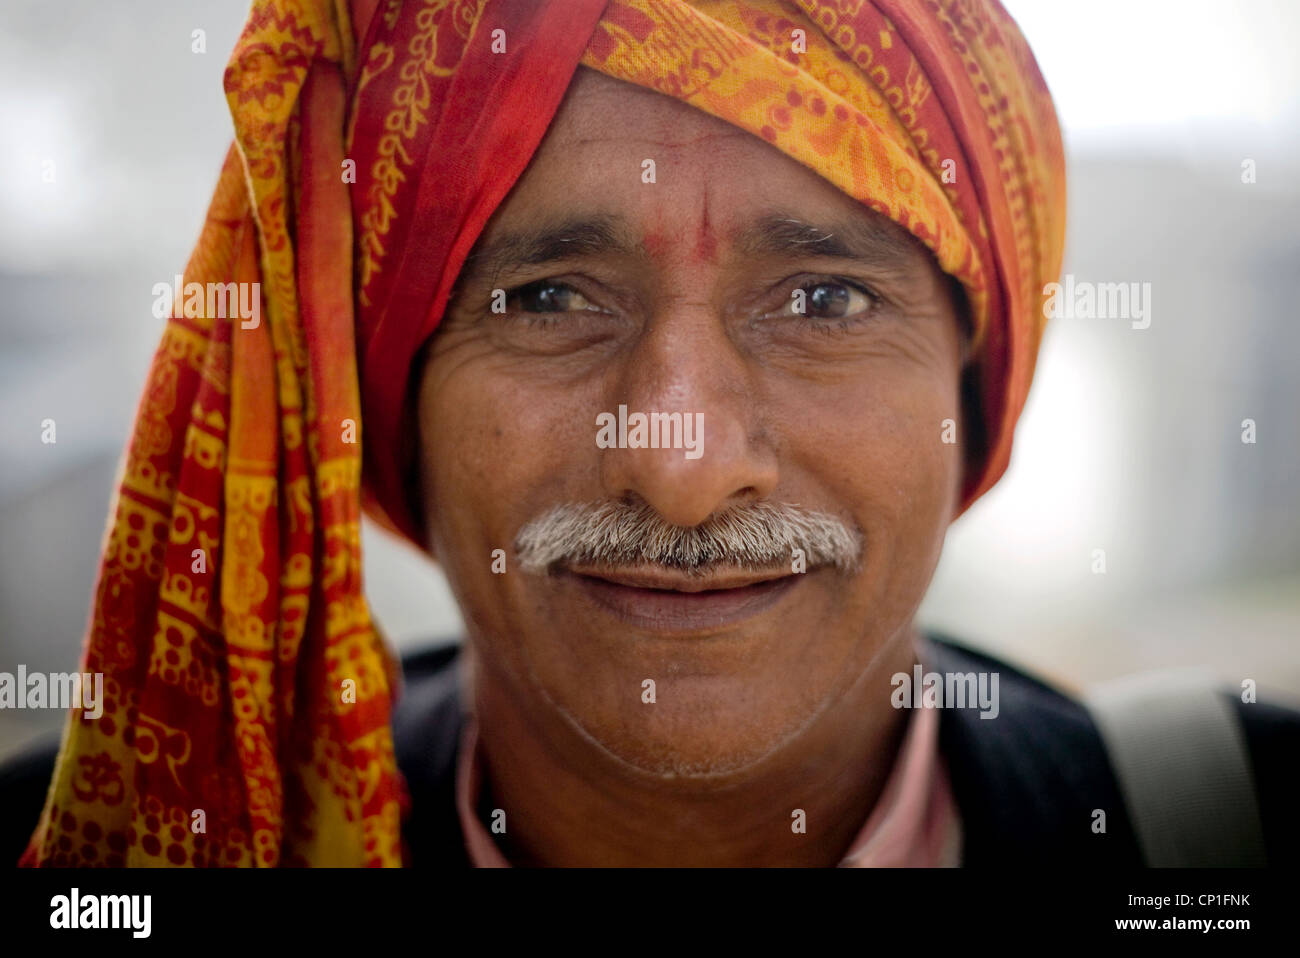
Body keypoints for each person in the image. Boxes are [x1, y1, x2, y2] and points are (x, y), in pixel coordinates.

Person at [4, 0, 1296, 868]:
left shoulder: (1232, 830)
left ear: (972, 391)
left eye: (826, 300)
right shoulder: (109, 846)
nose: (681, 468)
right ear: (390, 400)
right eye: (549, 299)